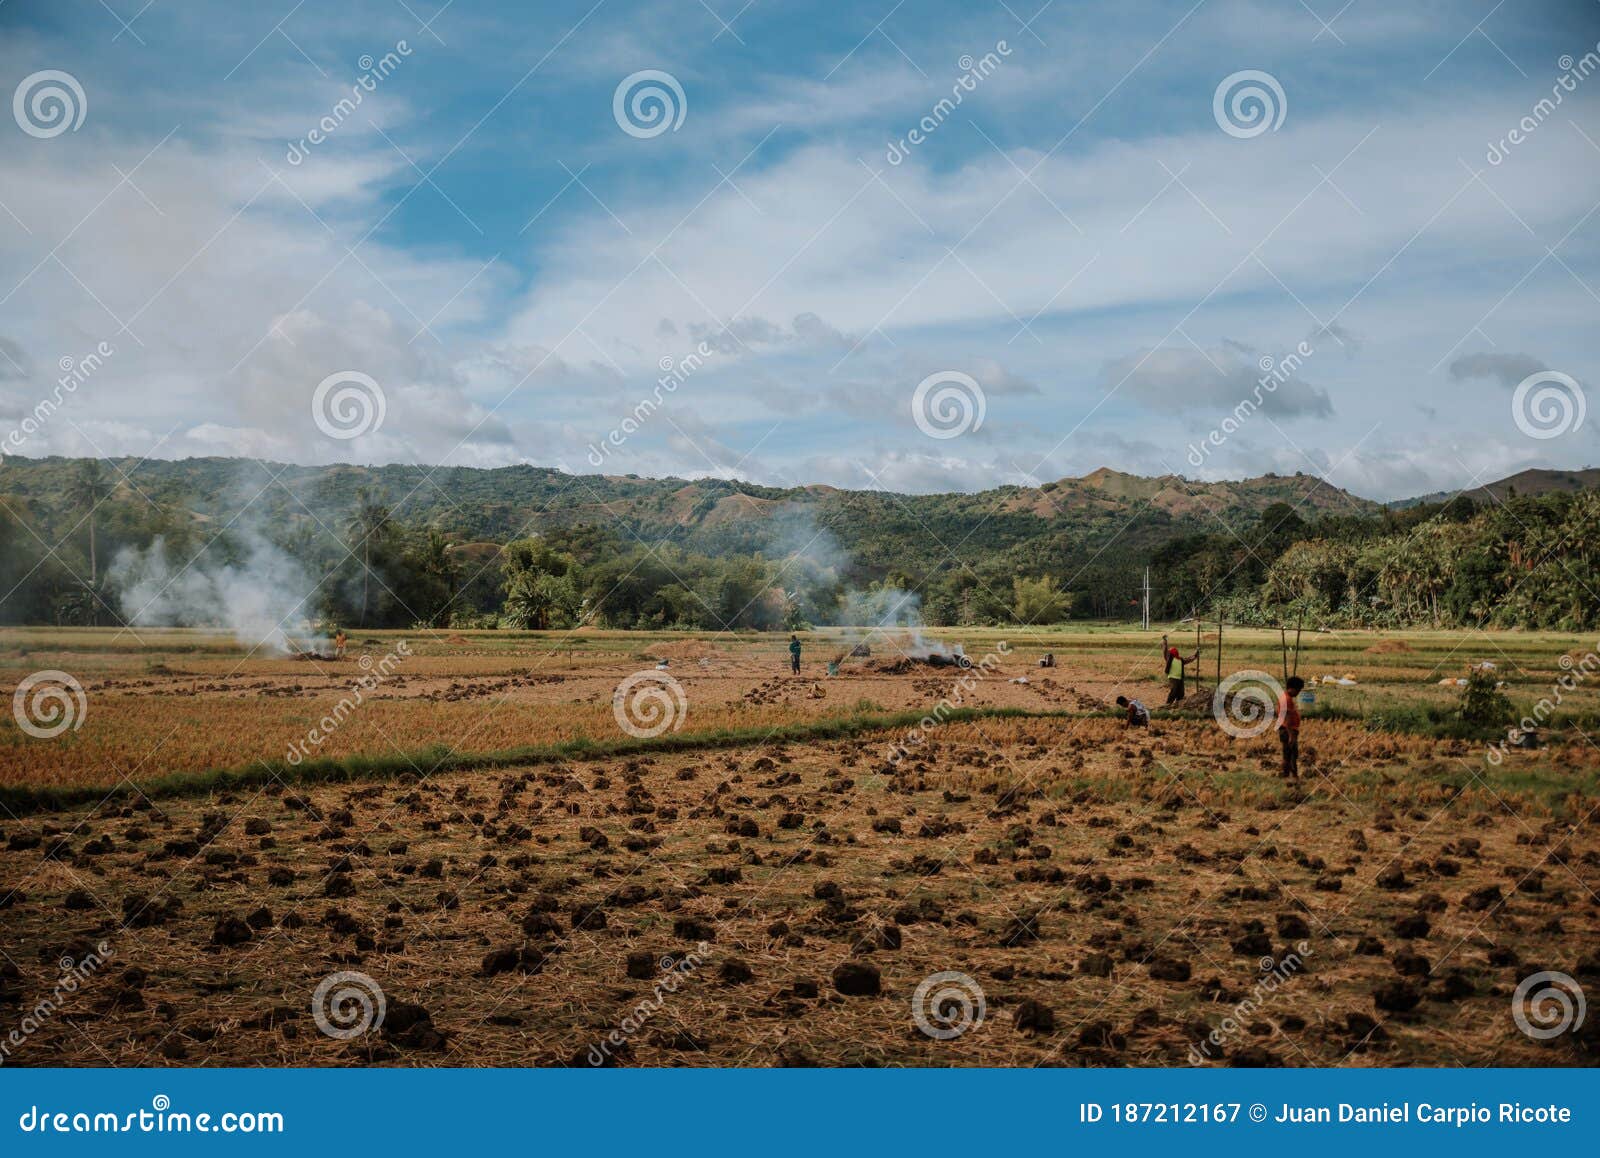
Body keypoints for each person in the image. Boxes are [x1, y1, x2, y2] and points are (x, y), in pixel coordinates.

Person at [1277, 676, 1304, 778]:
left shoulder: (1284, 697)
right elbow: (1287, 718)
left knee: (1288, 754)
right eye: (1298, 690)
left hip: (1286, 730)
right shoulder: (1287, 700)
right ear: (1292, 688)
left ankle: (1288, 775)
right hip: (1288, 731)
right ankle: (1291, 776)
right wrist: (1291, 735)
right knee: (1291, 755)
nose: (1298, 693)